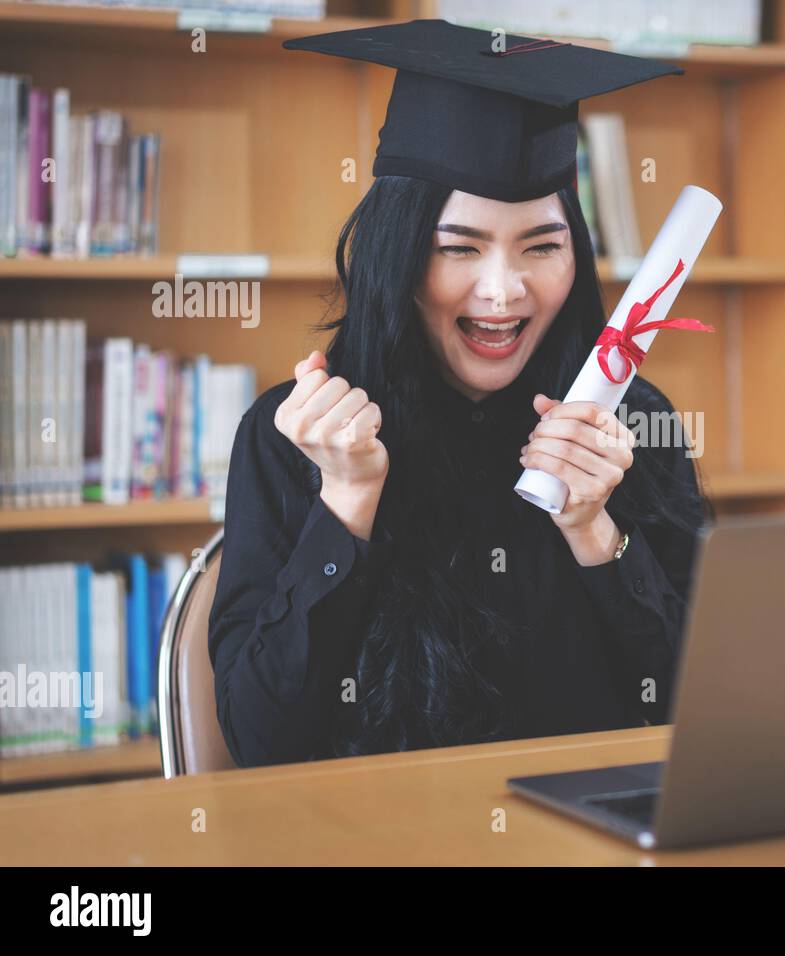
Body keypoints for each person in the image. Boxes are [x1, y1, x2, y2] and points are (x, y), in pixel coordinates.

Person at [208, 20, 712, 768]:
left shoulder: (632, 423)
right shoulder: (296, 434)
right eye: (458, 248)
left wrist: (596, 534)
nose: (503, 291)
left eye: (542, 245)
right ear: (400, 255)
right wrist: (345, 502)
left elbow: (695, 713)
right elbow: (261, 743)